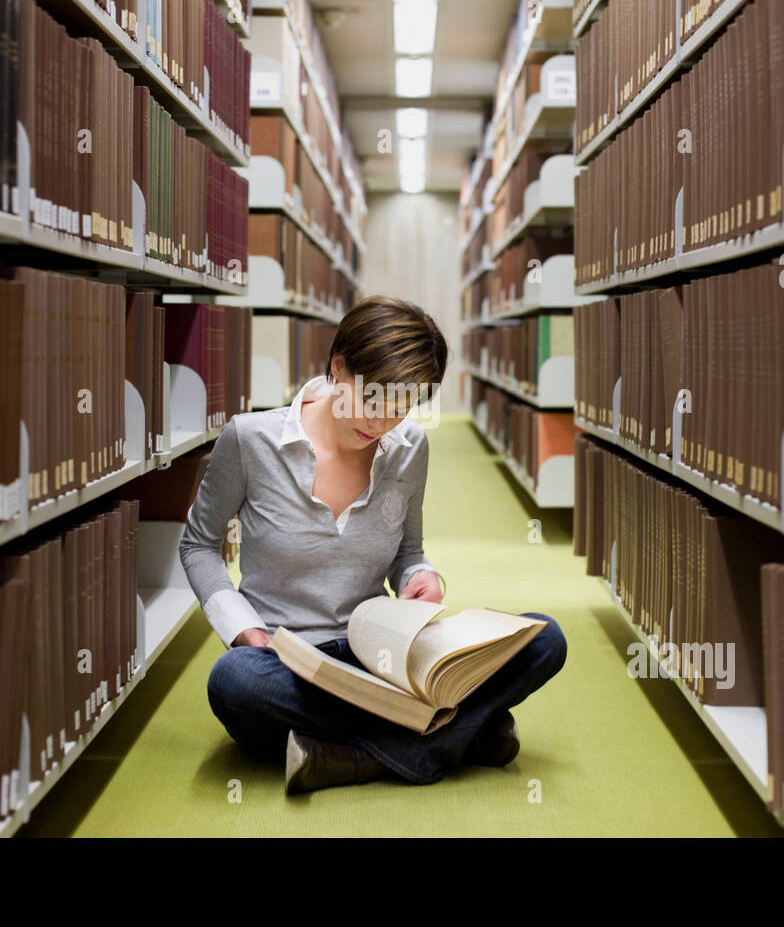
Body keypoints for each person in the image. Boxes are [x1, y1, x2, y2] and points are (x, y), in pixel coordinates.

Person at [179, 295, 567, 793]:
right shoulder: (250, 440)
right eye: (373, 401)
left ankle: (352, 759)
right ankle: (454, 734)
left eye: (402, 409)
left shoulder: (409, 448)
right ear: (339, 367)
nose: (382, 423)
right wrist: (243, 630)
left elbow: (409, 553)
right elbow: (198, 545)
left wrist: (421, 578)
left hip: (381, 655)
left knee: (544, 637)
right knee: (234, 681)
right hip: (288, 662)